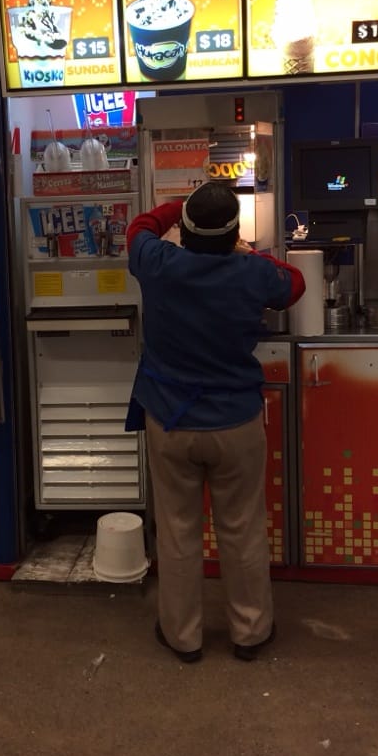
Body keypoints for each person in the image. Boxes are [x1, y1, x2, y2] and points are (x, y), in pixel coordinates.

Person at [125, 181, 305, 663]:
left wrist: (177, 205)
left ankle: (182, 636)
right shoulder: (251, 272)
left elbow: (139, 228)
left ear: (183, 228)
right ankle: (250, 632)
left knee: (178, 529)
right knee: (242, 527)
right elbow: (294, 282)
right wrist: (245, 251)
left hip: (169, 419)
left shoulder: (158, 264)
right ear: (234, 235)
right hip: (235, 423)